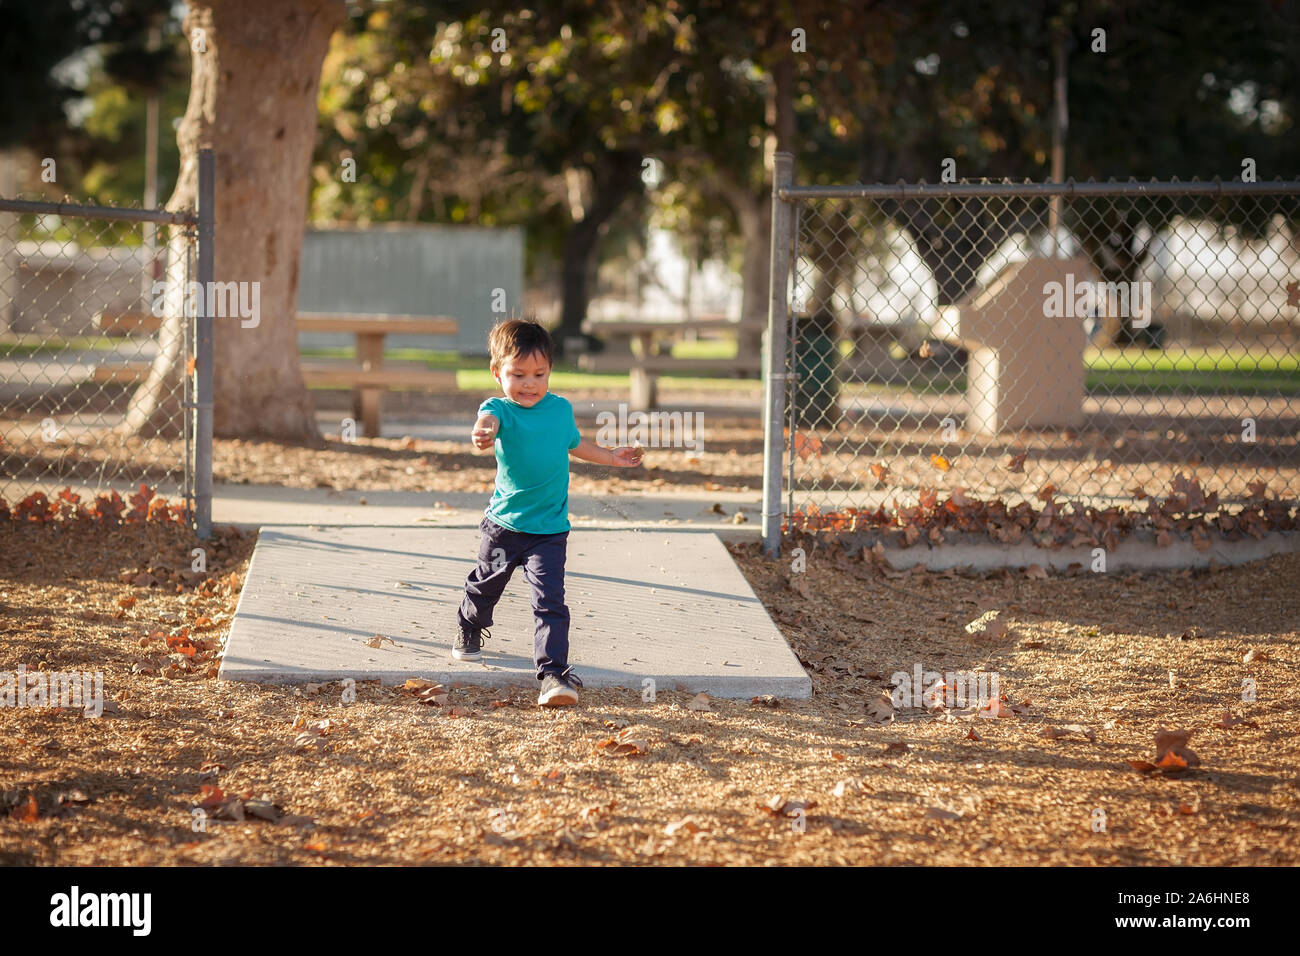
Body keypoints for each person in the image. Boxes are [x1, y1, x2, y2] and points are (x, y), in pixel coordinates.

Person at [457, 317, 643, 706]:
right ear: (497, 373)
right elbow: (485, 423)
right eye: (518, 374)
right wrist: (483, 431)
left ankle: (554, 675)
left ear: (550, 372)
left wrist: (612, 457)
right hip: (503, 528)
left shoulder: (559, 410)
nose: (529, 383)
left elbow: (575, 444)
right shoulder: (499, 409)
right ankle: (469, 624)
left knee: (550, 602)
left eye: (539, 374)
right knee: (484, 587)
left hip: (549, 531)